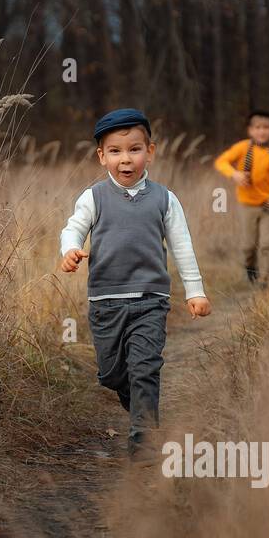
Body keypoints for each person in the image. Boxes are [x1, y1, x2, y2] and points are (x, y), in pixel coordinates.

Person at [60, 108, 211, 460]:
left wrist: (196, 292)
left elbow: (182, 246)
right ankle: (142, 408)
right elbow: (73, 228)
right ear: (102, 156)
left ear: (150, 151)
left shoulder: (164, 199)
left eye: (134, 149)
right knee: (112, 374)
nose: (125, 159)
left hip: (150, 300)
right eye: (115, 151)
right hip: (105, 303)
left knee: (144, 366)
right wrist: (70, 249)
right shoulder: (93, 197)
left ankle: (144, 435)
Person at [213, 110, 269, 287]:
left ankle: (265, 281)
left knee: (267, 244)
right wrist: (234, 174)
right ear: (250, 130)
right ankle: (250, 270)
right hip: (247, 205)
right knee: (248, 245)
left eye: (266, 127)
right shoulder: (243, 148)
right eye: (258, 127)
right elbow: (221, 161)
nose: (262, 131)